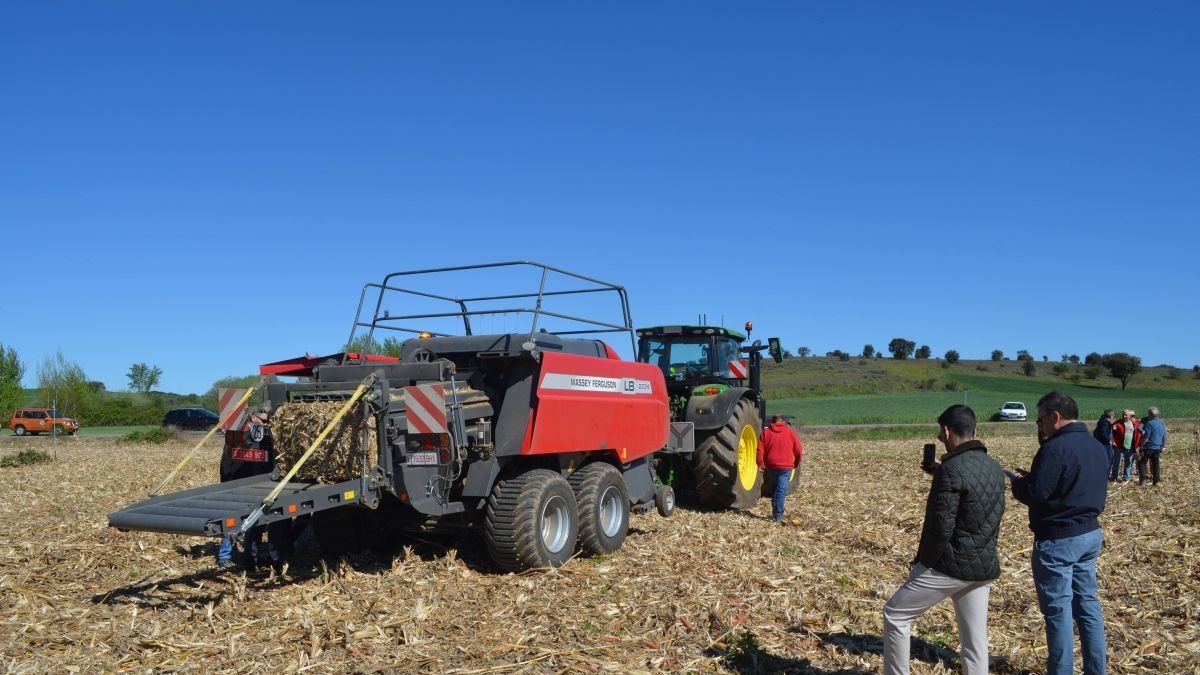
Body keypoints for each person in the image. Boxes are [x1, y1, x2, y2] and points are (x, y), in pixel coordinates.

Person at [882, 405, 1005, 675]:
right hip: (983, 567)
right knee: (975, 640)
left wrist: (923, 564)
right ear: (975, 430)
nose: (940, 439)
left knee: (895, 615)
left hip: (952, 566)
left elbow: (940, 527)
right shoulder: (994, 467)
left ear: (947, 431)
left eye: (941, 433)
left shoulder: (951, 469)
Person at [1009, 391, 1107, 675]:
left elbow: (1036, 493)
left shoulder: (1054, 448)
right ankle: (1096, 670)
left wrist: (1018, 483)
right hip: (1090, 533)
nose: (1040, 427)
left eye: (1040, 420)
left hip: (1059, 539)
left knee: (1058, 612)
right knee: (1087, 605)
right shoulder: (1095, 445)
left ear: (1055, 416)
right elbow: (1072, 484)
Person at [756, 414, 803, 523]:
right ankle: (778, 515)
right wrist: (796, 463)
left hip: (771, 466)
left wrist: (760, 463)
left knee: (775, 488)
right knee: (781, 490)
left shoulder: (766, 432)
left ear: (772, 422)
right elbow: (799, 450)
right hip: (786, 467)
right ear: (783, 422)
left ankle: (775, 509)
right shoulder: (790, 433)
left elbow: (759, 449)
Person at [1138, 406, 1168, 486]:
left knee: (1141, 463)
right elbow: (1165, 434)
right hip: (1157, 447)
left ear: (1149, 414)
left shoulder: (1149, 423)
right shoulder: (1161, 423)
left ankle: (1143, 480)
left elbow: (1146, 436)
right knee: (1156, 464)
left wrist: (1141, 446)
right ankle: (1156, 481)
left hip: (1148, 447)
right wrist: (1163, 445)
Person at [1109, 409, 1141, 482]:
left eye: (1126, 415)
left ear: (1130, 416)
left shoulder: (1135, 423)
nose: (1124, 416)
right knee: (1117, 462)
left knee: (1128, 463)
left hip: (1130, 447)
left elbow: (1138, 434)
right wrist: (1113, 442)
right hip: (1119, 447)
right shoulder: (1117, 423)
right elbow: (1111, 433)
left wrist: (1137, 445)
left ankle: (1126, 478)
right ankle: (1114, 477)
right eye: (1123, 414)